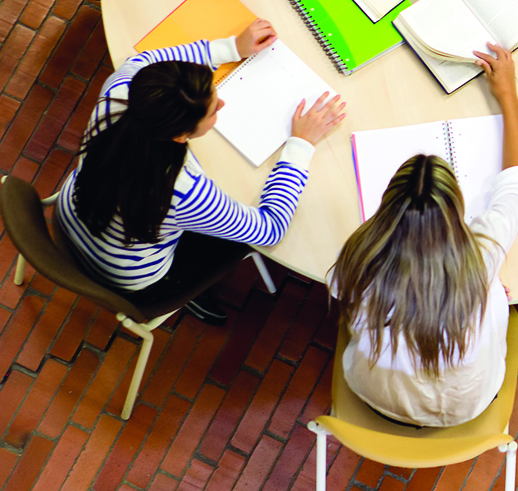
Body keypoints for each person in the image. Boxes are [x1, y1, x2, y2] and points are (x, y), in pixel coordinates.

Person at [54, 21, 346, 324]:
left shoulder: (120, 92)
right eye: (213, 110)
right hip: (132, 278)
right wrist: (299, 144)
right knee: (237, 240)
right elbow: (270, 229)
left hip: (73, 214)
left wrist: (232, 48)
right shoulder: (183, 190)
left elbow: (143, 62)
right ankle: (191, 295)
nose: (222, 101)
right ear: (181, 136)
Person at [329, 44, 518, 427]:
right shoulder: (481, 256)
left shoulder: (356, 260)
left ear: (387, 207)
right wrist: (508, 96)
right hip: (465, 406)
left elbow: (340, 287)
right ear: (456, 211)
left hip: (372, 394)